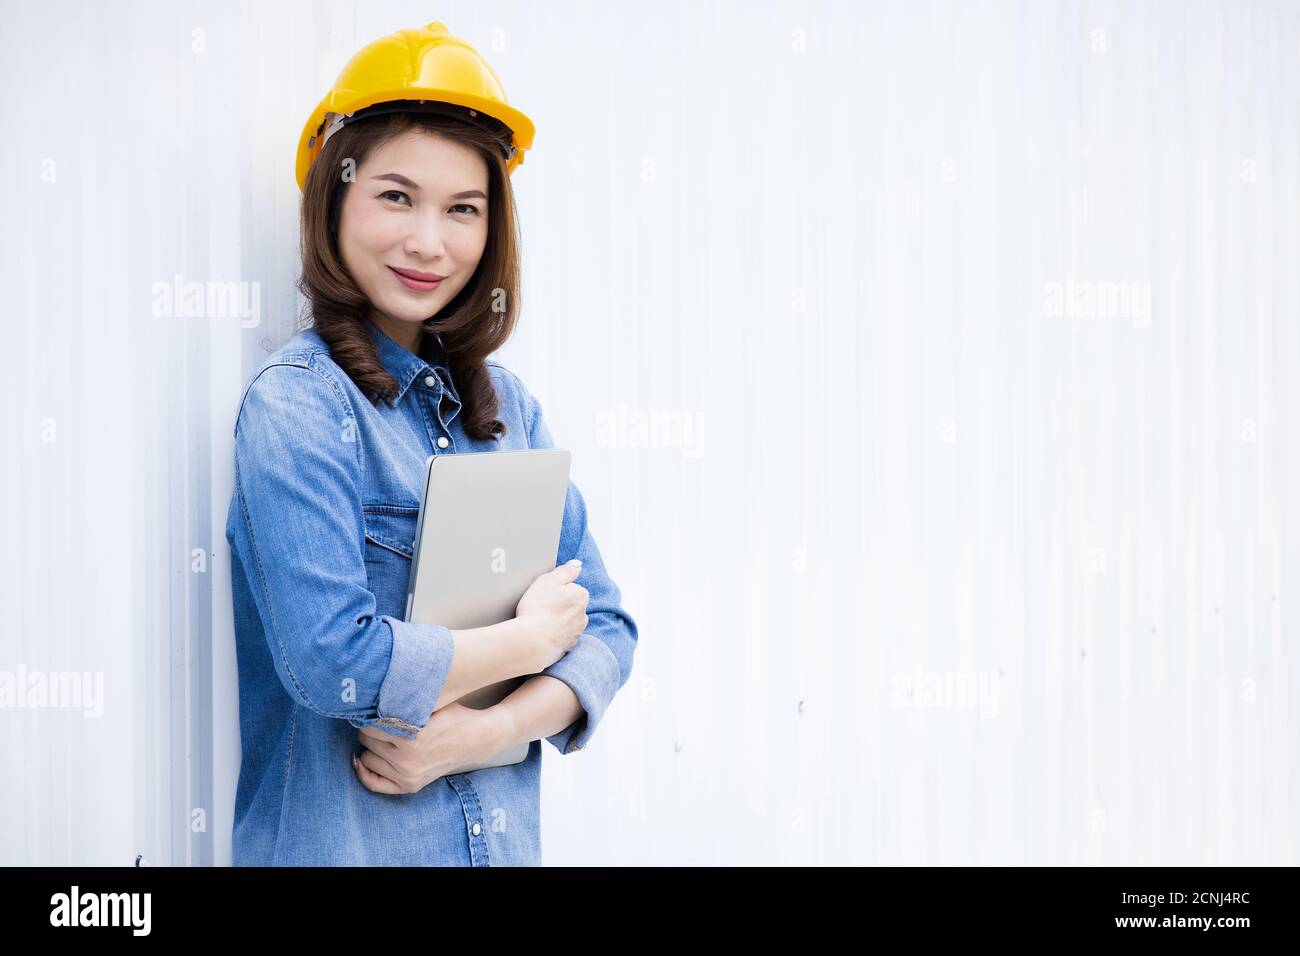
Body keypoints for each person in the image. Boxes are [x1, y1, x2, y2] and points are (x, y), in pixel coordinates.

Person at [224, 21, 638, 866]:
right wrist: (524, 645)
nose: (429, 242)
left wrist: (482, 736)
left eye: (463, 209)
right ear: (332, 197)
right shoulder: (298, 407)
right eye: (395, 196)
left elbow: (610, 629)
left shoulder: (509, 412)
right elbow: (330, 661)